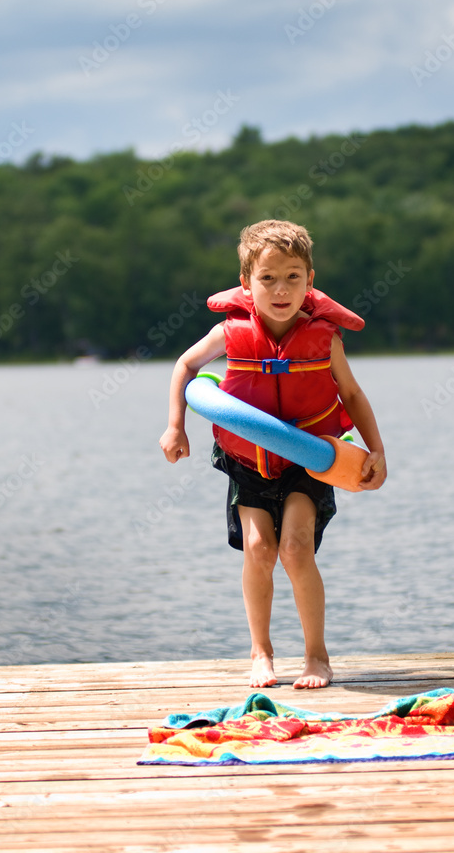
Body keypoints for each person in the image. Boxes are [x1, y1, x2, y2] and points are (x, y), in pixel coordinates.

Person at [159, 220, 386, 689]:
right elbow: (186, 366)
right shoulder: (230, 333)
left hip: (310, 459)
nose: (281, 289)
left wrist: (376, 449)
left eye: (293, 277)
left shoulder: (326, 339)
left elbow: (353, 393)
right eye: (267, 279)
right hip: (249, 461)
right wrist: (176, 425)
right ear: (246, 283)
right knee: (260, 549)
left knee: (297, 549)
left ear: (310, 280)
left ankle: (316, 657)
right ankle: (261, 652)